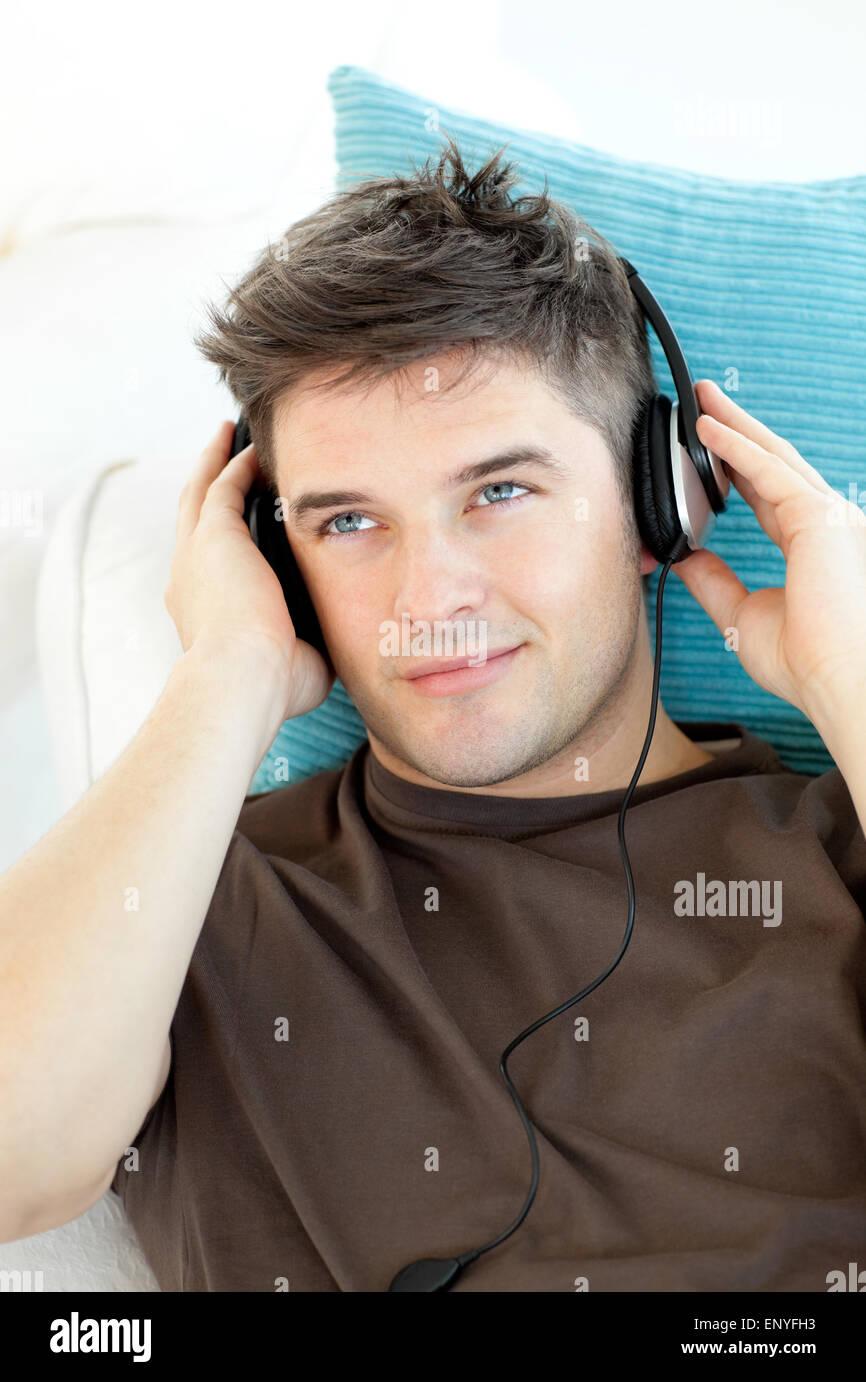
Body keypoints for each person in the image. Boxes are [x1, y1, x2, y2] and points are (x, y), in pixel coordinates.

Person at [1, 138, 864, 1293]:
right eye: (348, 523)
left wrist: (849, 669)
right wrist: (226, 670)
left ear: (659, 502)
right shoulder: (183, 900)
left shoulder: (832, 842)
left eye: (498, 491)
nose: (428, 600)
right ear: (276, 555)